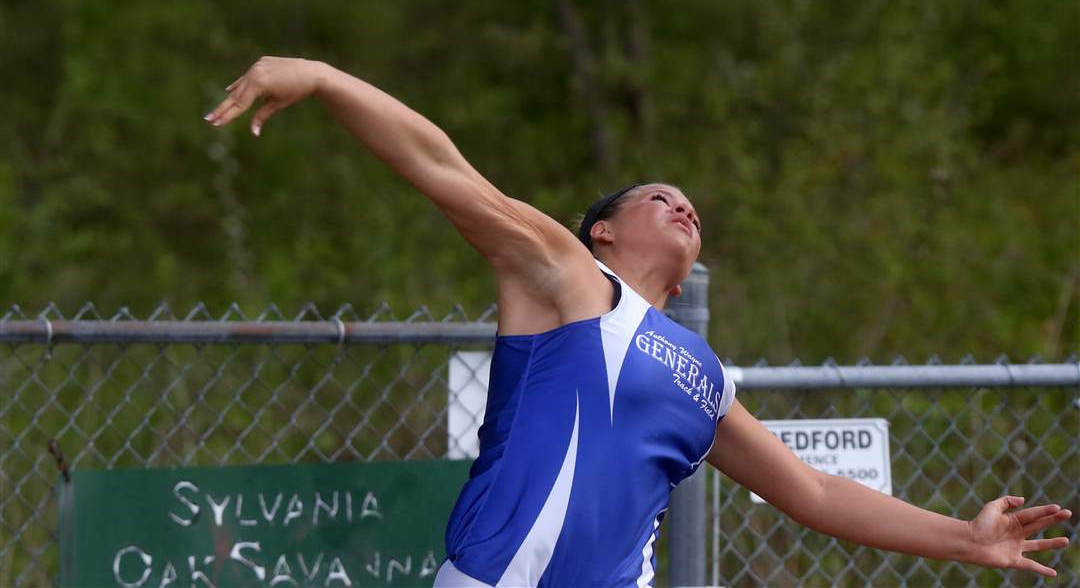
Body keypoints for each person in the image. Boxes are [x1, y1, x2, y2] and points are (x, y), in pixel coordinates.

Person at [206, 56, 1072, 587]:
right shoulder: (565, 280)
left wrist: (963, 537)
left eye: (692, 203)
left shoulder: (704, 373)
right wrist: (321, 78)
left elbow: (812, 492)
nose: (682, 204)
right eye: (658, 197)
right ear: (603, 231)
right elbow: (443, 165)